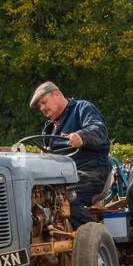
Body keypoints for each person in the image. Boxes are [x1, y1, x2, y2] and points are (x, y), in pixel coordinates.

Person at [29, 81, 111, 228]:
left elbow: (99, 129)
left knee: (64, 203)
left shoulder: (81, 108)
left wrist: (82, 136)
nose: (41, 108)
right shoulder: (48, 130)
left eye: (43, 102)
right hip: (61, 179)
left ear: (56, 95)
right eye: (39, 106)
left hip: (89, 171)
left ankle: (99, 240)